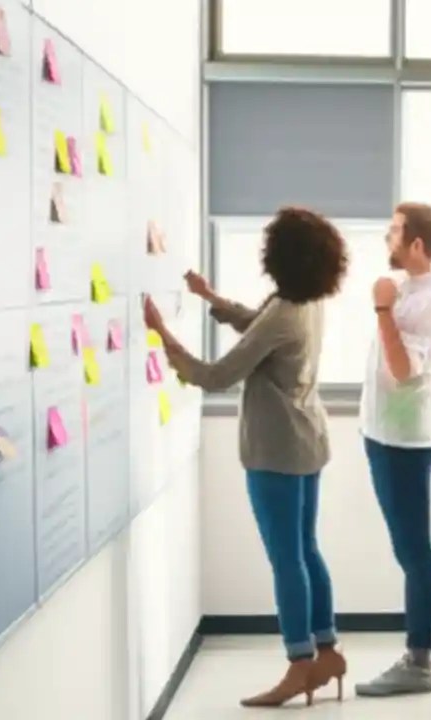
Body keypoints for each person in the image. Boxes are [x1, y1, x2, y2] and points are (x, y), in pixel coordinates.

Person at [143, 207, 349, 708]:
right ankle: (327, 652)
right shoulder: (306, 301)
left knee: (286, 560)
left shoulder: (284, 311)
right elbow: (260, 326)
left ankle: (299, 664)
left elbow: (216, 375)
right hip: (308, 441)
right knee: (305, 549)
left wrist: (162, 336)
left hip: (276, 451)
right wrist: (211, 299)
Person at [355, 202, 431, 698]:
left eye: (395, 231)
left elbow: (404, 371)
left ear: (417, 244)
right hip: (384, 435)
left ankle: (420, 658)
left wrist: (381, 311)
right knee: (415, 549)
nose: (387, 238)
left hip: (403, 442)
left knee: (412, 551)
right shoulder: (405, 290)